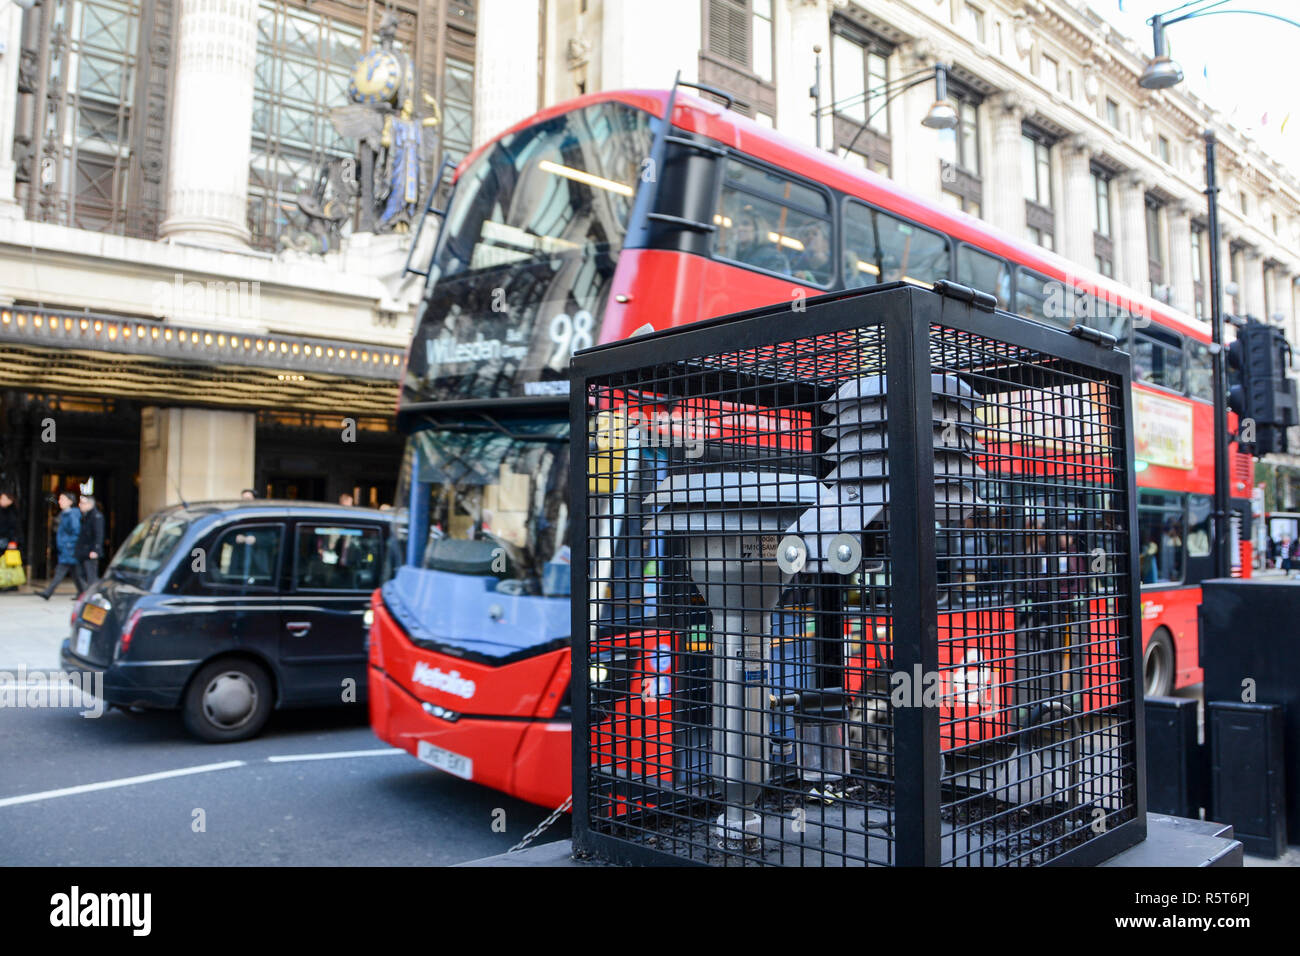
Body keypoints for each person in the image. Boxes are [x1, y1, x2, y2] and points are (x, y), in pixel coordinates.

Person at [40, 492, 81, 600]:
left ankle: (48, 592)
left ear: (70, 502)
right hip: (66, 547)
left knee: (61, 570)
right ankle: (83, 592)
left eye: (62, 499)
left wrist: (68, 544)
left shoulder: (72, 515)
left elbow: (76, 531)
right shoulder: (63, 514)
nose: (59, 502)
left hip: (69, 548)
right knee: (76, 573)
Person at [75, 487, 106, 594]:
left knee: (91, 575)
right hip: (83, 551)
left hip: (90, 551)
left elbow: (99, 534)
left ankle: (93, 594)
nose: (80, 505)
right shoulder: (85, 516)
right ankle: (85, 593)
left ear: (90, 504)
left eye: (83, 503)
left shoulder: (96, 516)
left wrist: (96, 549)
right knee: (80, 573)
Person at [0, 491, 23, 591]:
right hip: (2, 539)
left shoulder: (13, 512)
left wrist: (14, 541)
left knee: (9, 564)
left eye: (4, 499)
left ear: (10, 501)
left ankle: (11, 583)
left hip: (8, 541)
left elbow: (15, 528)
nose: (2, 501)